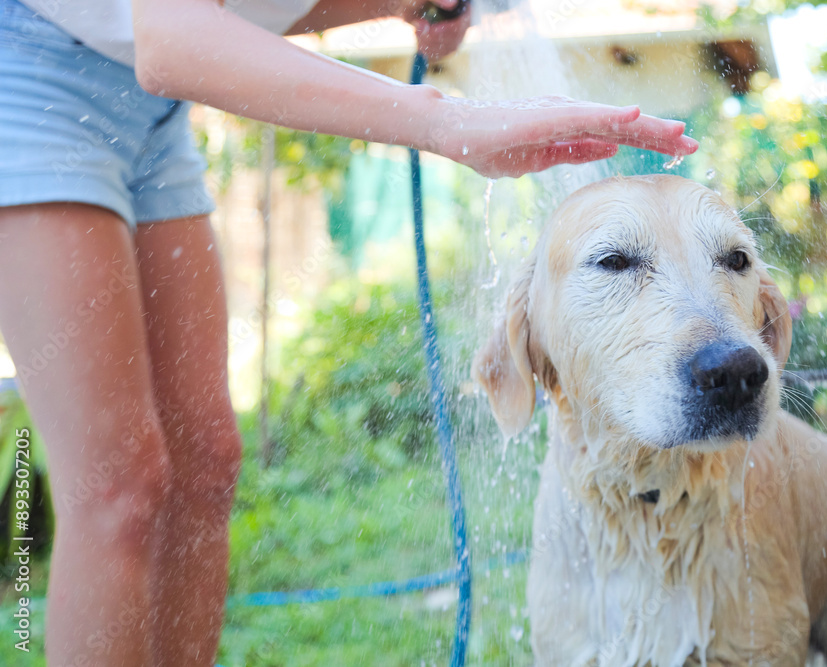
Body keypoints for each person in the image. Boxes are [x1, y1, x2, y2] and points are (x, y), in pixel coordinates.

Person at [0, 0, 698, 664]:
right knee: (119, 484)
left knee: (205, 463)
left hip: (149, 109)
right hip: (30, 78)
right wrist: (445, 121)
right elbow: (171, 39)